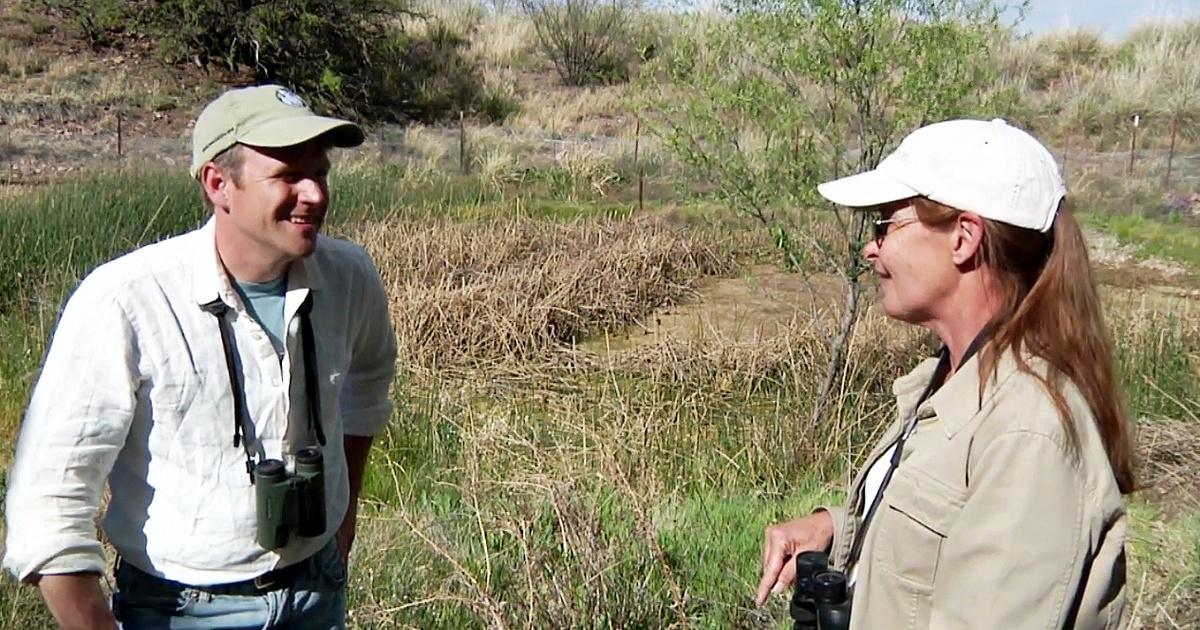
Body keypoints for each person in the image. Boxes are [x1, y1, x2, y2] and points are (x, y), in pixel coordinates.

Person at [3, 84, 398, 629]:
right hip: (179, 609)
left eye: (321, 172)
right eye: (288, 175)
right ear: (219, 184)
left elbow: (367, 390)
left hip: (317, 591)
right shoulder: (127, 299)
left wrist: (343, 519)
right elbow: (48, 501)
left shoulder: (350, 277)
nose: (315, 194)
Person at [754, 119, 1135, 629]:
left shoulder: (1028, 433)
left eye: (886, 225)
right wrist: (838, 528)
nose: (872, 248)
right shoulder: (954, 377)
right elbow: (946, 532)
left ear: (964, 237)